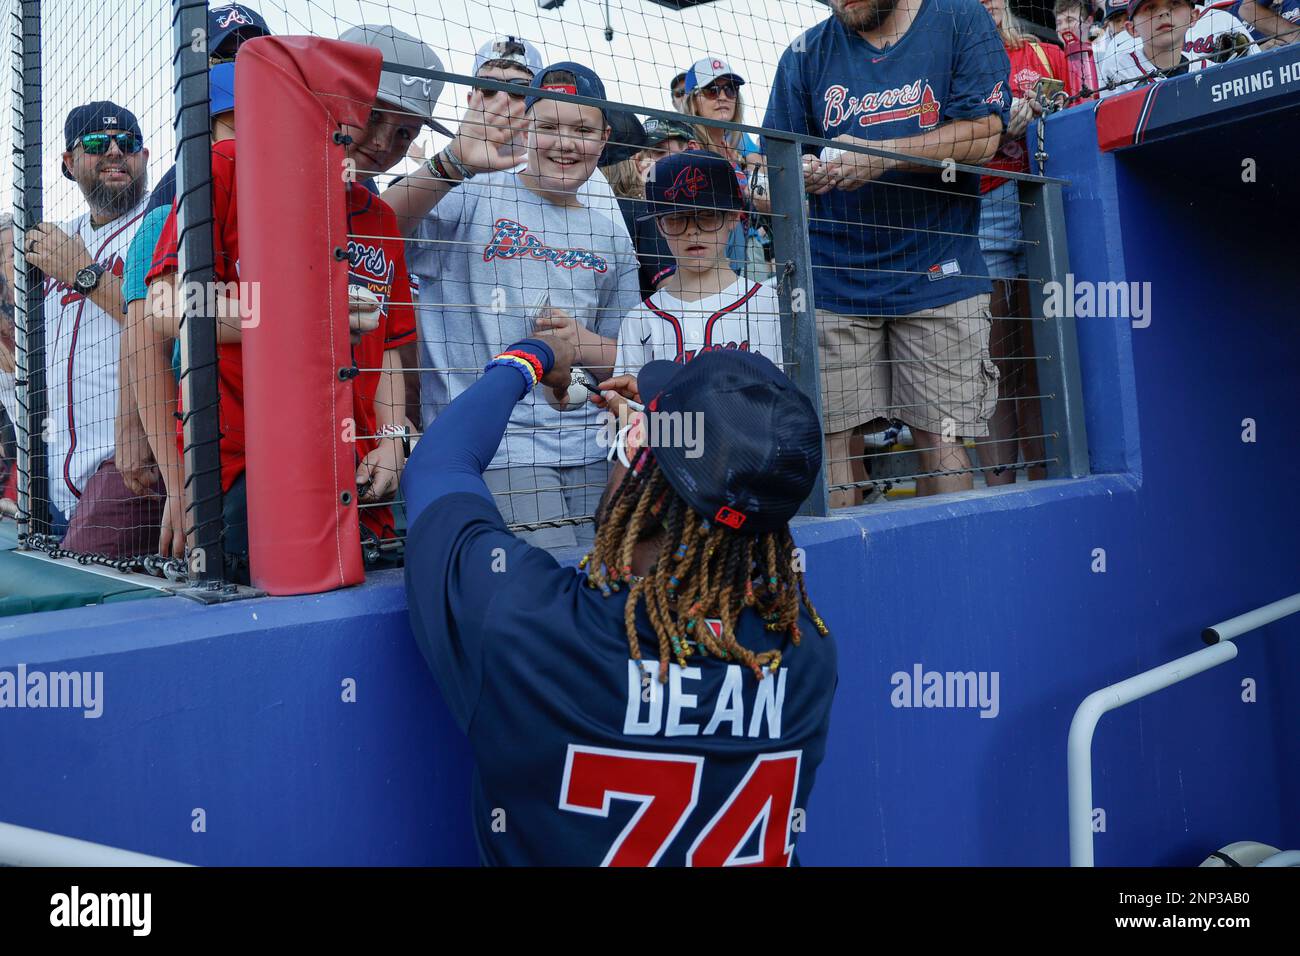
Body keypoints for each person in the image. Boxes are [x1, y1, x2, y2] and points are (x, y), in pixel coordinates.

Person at [401, 329, 836, 866]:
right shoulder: (804, 657)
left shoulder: (528, 625)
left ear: (641, 476)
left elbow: (439, 465)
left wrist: (532, 357)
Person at [144, 25, 428, 576]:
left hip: (361, 471)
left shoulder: (380, 217)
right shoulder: (226, 166)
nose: (384, 142)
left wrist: (394, 440)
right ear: (326, 99)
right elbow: (163, 305)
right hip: (248, 470)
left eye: (404, 132)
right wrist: (295, 316)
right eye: (375, 116)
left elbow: (389, 350)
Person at [764, 0, 1011, 506]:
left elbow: (984, 135)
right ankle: (848, 581)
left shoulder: (959, 17)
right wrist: (796, 178)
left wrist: (879, 157)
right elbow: (770, 168)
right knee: (833, 446)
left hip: (939, 274)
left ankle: (950, 574)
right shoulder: (804, 52)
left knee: (941, 442)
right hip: (836, 280)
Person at [390, 62, 640, 551]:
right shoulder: (473, 192)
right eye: (548, 126)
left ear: (604, 137)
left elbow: (628, 355)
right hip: (497, 452)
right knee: (552, 588)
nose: (565, 143)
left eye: (582, 129)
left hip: (592, 448)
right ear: (526, 128)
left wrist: (578, 344)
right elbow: (376, 232)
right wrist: (449, 163)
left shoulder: (610, 233)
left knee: (605, 587)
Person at [23, 102, 155, 554]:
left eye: (129, 143)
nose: (116, 151)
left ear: (145, 156)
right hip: (48, 472)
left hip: (127, 461)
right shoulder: (53, 237)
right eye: (98, 143)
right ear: (68, 162)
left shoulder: (163, 223)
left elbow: (167, 318)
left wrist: (83, 272)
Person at [978, 0, 1073, 486]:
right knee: (997, 365)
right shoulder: (957, 59)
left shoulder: (1045, 53)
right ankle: (998, 490)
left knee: (1042, 357)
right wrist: (994, 125)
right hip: (985, 204)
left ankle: (1044, 480)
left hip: (1042, 203)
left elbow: (1077, 119)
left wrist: (1043, 114)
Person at [615, 150, 782, 376]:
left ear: (733, 216)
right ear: (658, 224)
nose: (693, 230)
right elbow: (631, 406)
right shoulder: (639, 320)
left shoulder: (771, 306)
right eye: (676, 218)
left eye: (707, 215)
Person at [679, 58, 769, 278]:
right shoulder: (688, 148)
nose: (722, 97)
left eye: (730, 89)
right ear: (693, 101)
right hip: (706, 255)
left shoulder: (733, 146)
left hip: (739, 250)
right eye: (711, 90)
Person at [608, 117, 700, 297]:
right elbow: (676, 295)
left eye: (659, 151)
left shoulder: (715, 203)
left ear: (691, 149)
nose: (648, 162)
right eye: (643, 155)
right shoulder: (641, 210)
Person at [1098, 0, 1259, 95]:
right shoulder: (1118, 66)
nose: (1164, 13)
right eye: (1151, 7)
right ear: (1132, 28)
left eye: (1174, 3)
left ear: (1193, 16)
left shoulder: (1211, 68)